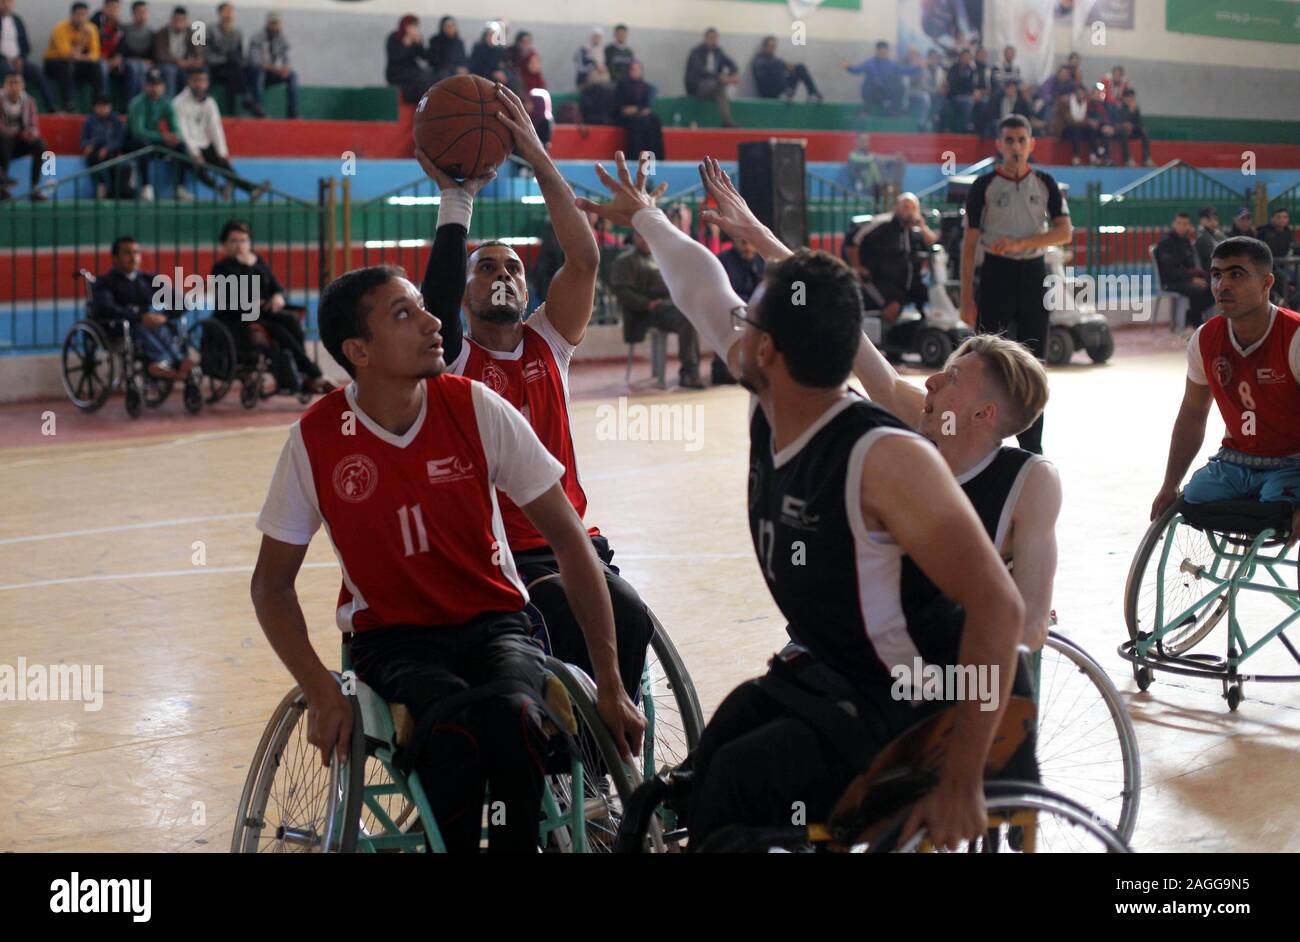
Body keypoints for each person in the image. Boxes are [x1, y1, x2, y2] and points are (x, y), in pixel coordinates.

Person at [578, 152, 1027, 851]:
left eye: (749, 322)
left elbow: (1000, 605)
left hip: (907, 701)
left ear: (770, 354)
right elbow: (704, 290)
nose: (736, 324)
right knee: (677, 788)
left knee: (735, 797)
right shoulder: (776, 387)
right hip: (828, 671)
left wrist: (963, 778)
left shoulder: (886, 459)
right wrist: (646, 217)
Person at [249, 262, 643, 854]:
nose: (435, 321)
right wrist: (320, 688)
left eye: (424, 307)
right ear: (358, 350)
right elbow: (271, 585)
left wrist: (611, 684)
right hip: (393, 640)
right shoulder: (317, 438)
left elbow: (569, 539)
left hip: (496, 624)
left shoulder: (476, 407)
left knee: (515, 721)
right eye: (405, 313)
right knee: (454, 732)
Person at [417, 85, 661, 703]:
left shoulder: (549, 341)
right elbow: (437, 300)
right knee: (557, 617)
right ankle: (563, 752)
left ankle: (606, 757)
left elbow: (583, 256)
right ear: (466, 290)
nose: (502, 274)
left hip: (571, 540)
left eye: (513, 268)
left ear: (528, 291)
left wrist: (535, 153)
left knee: (630, 611)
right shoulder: (452, 357)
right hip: (494, 557)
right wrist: (457, 199)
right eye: (486, 267)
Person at [852, 331, 1058, 653]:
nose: (930, 382)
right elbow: (885, 383)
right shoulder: (935, 423)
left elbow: (1031, 626)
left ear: (982, 414)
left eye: (952, 379)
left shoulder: (1031, 482)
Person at [1150, 236, 1300, 549]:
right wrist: (1169, 484)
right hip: (1236, 460)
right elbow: (1192, 413)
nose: (1222, 285)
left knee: (1278, 502)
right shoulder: (1205, 339)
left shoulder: (1294, 337)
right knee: (1195, 495)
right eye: (1216, 275)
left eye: (1236, 274)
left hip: (1292, 462)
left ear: (1266, 283)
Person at [960, 115, 1072, 455]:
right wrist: (966, 297)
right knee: (985, 359)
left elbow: (1064, 232)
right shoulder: (983, 186)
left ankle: (1031, 446)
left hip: (1034, 274)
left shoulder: (1046, 182)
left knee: (1034, 361)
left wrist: (1021, 244)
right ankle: (981, 441)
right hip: (996, 275)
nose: (1016, 147)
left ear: (1031, 144)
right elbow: (968, 246)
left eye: (1022, 140)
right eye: (1009, 140)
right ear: (999, 144)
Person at [211, 218, 331, 394]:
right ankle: (313, 374)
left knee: (290, 319)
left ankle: (302, 373)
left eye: (243, 240)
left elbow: (276, 287)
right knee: (277, 330)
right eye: (234, 241)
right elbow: (228, 301)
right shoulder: (222, 268)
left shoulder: (257, 261)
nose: (239, 245)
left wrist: (277, 297)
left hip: (265, 311)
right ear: (225, 244)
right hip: (238, 316)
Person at [92, 234, 195, 378]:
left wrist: (164, 317)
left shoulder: (147, 279)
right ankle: (161, 361)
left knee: (162, 328)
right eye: (127, 253)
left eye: (136, 252)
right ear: (115, 258)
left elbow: (182, 302)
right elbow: (104, 308)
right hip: (121, 326)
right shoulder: (105, 282)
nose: (133, 257)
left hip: (150, 323)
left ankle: (179, 360)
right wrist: (139, 317)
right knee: (140, 327)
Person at [612, 231, 704, 389]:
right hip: (642, 314)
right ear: (634, 237)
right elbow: (622, 292)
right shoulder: (625, 261)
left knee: (692, 313)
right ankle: (689, 373)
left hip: (665, 308)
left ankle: (694, 371)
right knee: (686, 318)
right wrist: (647, 304)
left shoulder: (660, 258)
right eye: (640, 235)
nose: (645, 238)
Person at [171, 68, 269, 200]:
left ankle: (251, 189)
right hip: (187, 145)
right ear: (189, 82)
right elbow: (181, 131)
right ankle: (218, 188)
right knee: (196, 164)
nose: (199, 84)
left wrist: (222, 152)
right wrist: (194, 153)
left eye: (202, 81)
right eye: (195, 81)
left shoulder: (210, 102)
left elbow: (216, 128)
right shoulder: (178, 103)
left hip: (203, 142)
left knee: (223, 164)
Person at [846, 192, 937, 323]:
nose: (909, 211)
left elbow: (932, 243)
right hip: (880, 279)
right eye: (905, 207)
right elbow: (852, 239)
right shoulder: (882, 223)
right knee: (892, 310)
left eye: (913, 208)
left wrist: (922, 226)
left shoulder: (915, 230)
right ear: (896, 207)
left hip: (909, 282)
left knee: (931, 296)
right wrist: (856, 266)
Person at [125, 65, 183, 200]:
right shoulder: (137, 103)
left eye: (158, 85)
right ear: (145, 86)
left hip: (155, 140)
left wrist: (175, 136)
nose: (155, 89)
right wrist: (163, 137)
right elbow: (138, 132)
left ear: (163, 86)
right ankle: (146, 187)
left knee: (181, 147)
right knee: (143, 145)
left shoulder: (166, 102)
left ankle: (180, 188)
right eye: (151, 85)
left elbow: (175, 127)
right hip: (132, 142)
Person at [44, 1, 109, 112]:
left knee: (97, 66)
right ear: (72, 15)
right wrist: (83, 41)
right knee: (68, 65)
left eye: (84, 15)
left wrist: (81, 57)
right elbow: (66, 54)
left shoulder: (91, 28)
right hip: (54, 63)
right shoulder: (60, 28)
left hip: (77, 63)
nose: (81, 18)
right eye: (78, 15)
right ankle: (68, 104)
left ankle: (97, 104)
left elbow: (95, 54)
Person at [1154, 212, 1214, 331]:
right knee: (1199, 290)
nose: (1182, 226)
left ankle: (1191, 316)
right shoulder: (1166, 243)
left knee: (1212, 286)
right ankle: (1195, 321)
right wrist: (1191, 279)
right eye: (1179, 223)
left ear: (1189, 226)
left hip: (1185, 279)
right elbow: (1169, 271)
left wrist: (1200, 276)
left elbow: (1191, 266)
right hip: (1170, 282)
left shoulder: (1186, 242)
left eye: (1185, 224)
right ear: (1174, 224)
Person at [0, 0, 54, 111]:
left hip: (19, 59)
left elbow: (26, 45)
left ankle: (51, 108)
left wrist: (21, 58)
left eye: (9, 2)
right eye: (3, 2)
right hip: (2, 61)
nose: (6, 5)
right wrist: (6, 59)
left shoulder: (17, 20)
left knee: (37, 70)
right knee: (10, 71)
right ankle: (19, 108)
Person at [207, 2, 259, 117]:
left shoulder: (237, 32)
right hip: (216, 67)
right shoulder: (211, 30)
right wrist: (226, 59)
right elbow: (208, 54)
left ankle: (232, 113)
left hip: (232, 69)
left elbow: (241, 54)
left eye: (231, 11)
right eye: (226, 11)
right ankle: (247, 97)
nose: (229, 14)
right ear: (219, 13)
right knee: (234, 63)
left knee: (239, 71)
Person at [0, 71, 45, 199]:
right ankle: (2, 188)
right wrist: (20, 133)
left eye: (17, 82)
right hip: (3, 142)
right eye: (11, 82)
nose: (14, 86)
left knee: (39, 145)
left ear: (23, 85)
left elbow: (33, 124)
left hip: (20, 142)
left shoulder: (29, 101)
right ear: (5, 85)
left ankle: (35, 187)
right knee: (4, 139)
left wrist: (32, 133)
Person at [684, 28, 738, 128]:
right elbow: (701, 70)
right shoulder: (696, 52)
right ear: (706, 39)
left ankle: (726, 121)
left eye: (715, 38)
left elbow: (732, 64)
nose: (714, 40)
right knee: (719, 85)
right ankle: (727, 121)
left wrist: (733, 75)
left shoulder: (719, 52)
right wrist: (720, 77)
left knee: (720, 88)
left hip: (714, 85)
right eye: (711, 38)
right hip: (697, 86)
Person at [247, 11, 296, 118]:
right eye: (273, 23)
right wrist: (277, 70)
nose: (275, 26)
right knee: (259, 73)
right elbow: (257, 62)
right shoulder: (257, 37)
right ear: (267, 23)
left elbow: (288, 58)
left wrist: (286, 69)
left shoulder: (283, 38)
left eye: (277, 23)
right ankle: (258, 110)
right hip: (254, 74)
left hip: (272, 73)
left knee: (292, 75)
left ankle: (293, 113)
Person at [614, 60, 662, 160]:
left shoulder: (646, 87)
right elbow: (621, 107)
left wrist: (637, 109)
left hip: (641, 114)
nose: (635, 71)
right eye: (633, 69)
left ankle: (654, 158)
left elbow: (646, 106)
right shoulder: (622, 85)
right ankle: (636, 158)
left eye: (638, 69)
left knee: (654, 121)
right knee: (637, 123)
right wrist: (632, 110)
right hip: (626, 117)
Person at [150, 4, 201, 96]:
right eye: (176, 20)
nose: (178, 23)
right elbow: (160, 55)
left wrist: (191, 62)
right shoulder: (162, 32)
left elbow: (198, 53)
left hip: (184, 65)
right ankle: (170, 102)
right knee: (170, 71)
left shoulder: (191, 33)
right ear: (171, 20)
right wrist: (177, 62)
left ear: (186, 21)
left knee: (197, 72)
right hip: (166, 64)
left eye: (181, 20)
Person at [751, 35, 820, 102]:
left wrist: (788, 67)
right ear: (764, 47)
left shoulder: (775, 60)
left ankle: (812, 93)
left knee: (800, 67)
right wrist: (782, 65)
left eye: (774, 46)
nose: (772, 48)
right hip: (768, 92)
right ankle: (784, 92)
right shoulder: (759, 61)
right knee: (777, 64)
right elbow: (764, 76)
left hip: (783, 90)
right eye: (770, 46)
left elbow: (784, 67)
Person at [80, 94, 124, 198]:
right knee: (91, 157)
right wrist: (88, 145)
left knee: (113, 160)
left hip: (112, 149)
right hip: (96, 149)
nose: (102, 109)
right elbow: (83, 139)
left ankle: (114, 190)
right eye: (99, 106)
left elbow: (120, 140)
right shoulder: (90, 121)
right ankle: (100, 185)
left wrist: (107, 148)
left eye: (105, 106)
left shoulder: (115, 120)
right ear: (94, 108)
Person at [844, 41, 904, 116]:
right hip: (873, 94)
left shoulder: (892, 64)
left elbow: (904, 70)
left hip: (885, 93)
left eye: (885, 51)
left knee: (899, 86)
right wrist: (848, 67)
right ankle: (865, 111)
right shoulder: (870, 63)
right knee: (869, 84)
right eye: (881, 51)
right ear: (877, 51)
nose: (883, 53)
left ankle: (894, 112)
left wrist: (918, 67)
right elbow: (857, 70)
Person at [385, 14, 433, 105]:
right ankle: (420, 105)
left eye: (415, 26)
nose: (413, 28)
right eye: (411, 26)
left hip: (411, 70)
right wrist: (405, 44)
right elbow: (395, 57)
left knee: (429, 75)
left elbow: (424, 57)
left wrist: (419, 43)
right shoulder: (394, 37)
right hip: (396, 72)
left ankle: (425, 105)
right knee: (421, 77)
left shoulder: (414, 38)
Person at [1256, 208, 1294, 306]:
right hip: (1267, 267)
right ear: (1272, 219)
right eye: (1279, 217)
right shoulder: (1264, 231)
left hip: (1283, 265)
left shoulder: (1288, 232)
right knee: (1283, 279)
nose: (1282, 220)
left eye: (1285, 217)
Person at [118, 0, 153, 101]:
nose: (142, 15)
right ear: (133, 14)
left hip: (144, 63)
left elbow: (152, 56)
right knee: (135, 68)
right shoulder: (124, 29)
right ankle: (130, 103)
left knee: (142, 68)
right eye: (139, 12)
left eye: (145, 12)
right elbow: (121, 51)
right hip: (128, 62)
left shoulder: (150, 33)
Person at [1051, 84, 1093, 166]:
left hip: (1079, 127)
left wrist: (1085, 122)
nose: (1081, 95)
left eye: (1082, 94)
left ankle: (1093, 157)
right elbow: (1070, 121)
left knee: (1090, 130)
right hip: (1064, 129)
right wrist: (1084, 122)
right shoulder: (1066, 103)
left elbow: (1086, 120)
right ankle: (1076, 158)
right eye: (1079, 93)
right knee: (1075, 130)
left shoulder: (1086, 104)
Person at [942, 47, 979, 132]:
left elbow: (972, 87)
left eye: (969, 57)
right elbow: (951, 85)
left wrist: (974, 93)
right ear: (961, 57)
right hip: (953, 96)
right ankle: (965, 126)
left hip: (967, 96)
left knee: (973, 101)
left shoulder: (972, 70)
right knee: (967, 101)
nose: (966, 59)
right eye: (965, 57)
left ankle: (967, 127)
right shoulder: (954, 68)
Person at [1115, 87, 1152, 167]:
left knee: (1144, 131)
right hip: (1121, 132)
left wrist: (1132, 125)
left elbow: (1139, 123)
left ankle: (1146, 159)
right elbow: (1119, 121)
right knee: (1124, 131)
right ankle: (1127, 159)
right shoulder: (1119, 107)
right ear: (1124, 98)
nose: (1130, 99)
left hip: (1133, 131)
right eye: (1128, 97)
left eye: (1132, 97)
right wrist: (1130, 113)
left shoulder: (1135, 108)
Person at [428, 16, 467, 82]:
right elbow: (437, 61)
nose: (450, 28)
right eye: (448, 26)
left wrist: (464, 67)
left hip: (457, 71)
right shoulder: (436, 41)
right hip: (441, 71)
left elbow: (463, 58)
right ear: (443, 28)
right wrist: (455, 69)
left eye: (452, 26)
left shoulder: (459, 42)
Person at [1195, 207, 1227, 272]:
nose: (1213, 221)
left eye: (1215, 218)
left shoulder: (1217, 233)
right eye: (1209, 218)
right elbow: (1208, 262)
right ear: (1202, 220)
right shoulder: (1202, 236)